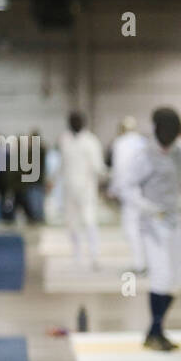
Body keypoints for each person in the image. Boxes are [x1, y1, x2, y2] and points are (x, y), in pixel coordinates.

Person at [122, 108, 181, 350]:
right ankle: (155, 331)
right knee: (161, 276)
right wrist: (148, 208)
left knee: (176, 279)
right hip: (152, 224)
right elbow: (127, 188)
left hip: (174, 222)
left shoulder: (178, 152)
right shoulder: (144, 155)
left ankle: (155, 331)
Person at [58, 111, 106, 265]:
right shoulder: (64, 139)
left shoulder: (91, 141)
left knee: (89, 221)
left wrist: (106, 182)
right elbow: (62, 164)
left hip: (86, 189)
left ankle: (95, 255)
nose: (74, 124)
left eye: (77, 121)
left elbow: (98, 167)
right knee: (72, 223)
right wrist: (53, 180)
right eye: (72, 121)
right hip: (69, 189)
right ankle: (76, 254)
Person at [107, 117, 147, 271]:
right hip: (144, 190)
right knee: (143, 228)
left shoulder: (120, 144)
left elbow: (119, 168)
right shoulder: (143, 142)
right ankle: (146, 262)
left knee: (130, 228)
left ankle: (139, 264)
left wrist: (113, 189)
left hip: (130, 190)